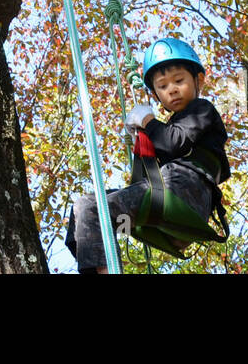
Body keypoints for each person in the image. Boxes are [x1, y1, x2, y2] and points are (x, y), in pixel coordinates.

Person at [65, 38, 230, 273]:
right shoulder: (166, 128)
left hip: (186, 194)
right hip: (167, 207)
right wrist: (143, 141)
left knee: (93, 209)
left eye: (179, 81)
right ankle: (99, 267)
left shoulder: (202, 109)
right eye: (162, 87)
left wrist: (148, 122)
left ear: (198, 80)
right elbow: (162, 155)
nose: (171, 89)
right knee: (85, 207)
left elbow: (174, 143)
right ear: (156, 95)